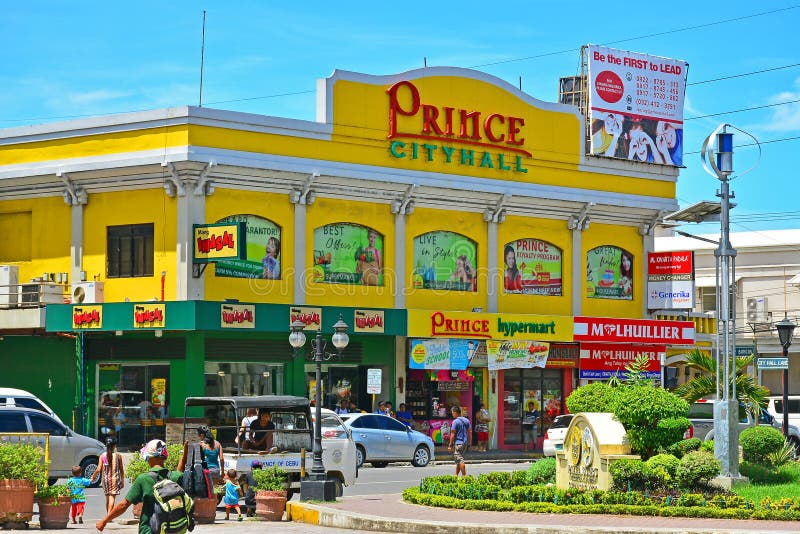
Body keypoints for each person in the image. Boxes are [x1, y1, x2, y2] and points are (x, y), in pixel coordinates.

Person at [96, 439, 188, 534]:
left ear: (149, 457)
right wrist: (185, 452)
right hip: (173, 530)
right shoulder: (175, 477)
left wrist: (104, 521)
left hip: (150, 530)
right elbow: (180, 471)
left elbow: (123, 505)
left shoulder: (143, 479)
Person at [91, 437, 125, 512]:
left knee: (107, 498)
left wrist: (93, 476)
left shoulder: (102, 456)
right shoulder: (118, 456)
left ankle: (108, 515)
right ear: (115, 446)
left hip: (105, 479)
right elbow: (121, 470)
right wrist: (122, 481)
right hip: (114, 479)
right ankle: (109, 515)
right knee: (112, 498)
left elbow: (99, 469)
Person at [448, 406, 470, 477]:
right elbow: (470, 432)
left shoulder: (455, 422)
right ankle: (456, 475)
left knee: (460, 460)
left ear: (455, 412)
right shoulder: (466, 420)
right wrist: (470, 442)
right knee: (459, 459)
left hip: (458, 443)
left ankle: (464, 476)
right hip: (465, 443)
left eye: (452, 413)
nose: (452, 414)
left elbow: (452, 434)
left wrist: (450, 445)